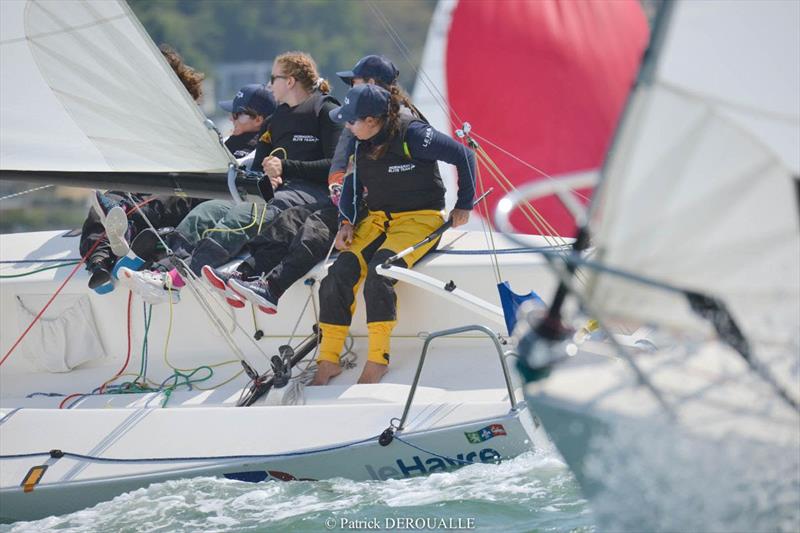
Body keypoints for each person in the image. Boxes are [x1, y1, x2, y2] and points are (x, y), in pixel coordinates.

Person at [120, 51, 343, 301]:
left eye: (274, 78)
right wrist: (264, 177)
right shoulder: (274, 120)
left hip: (310, 193)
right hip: (276, 192)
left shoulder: (326, 110)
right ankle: (162, 271)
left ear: (290, 81)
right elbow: (258, 166)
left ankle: (178, 279)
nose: (270, 84)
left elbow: (334, 165)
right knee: (208, 212)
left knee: (244, 216)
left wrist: (286, 167)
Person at [203, 55, 413, 314]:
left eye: (354, 83)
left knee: (312, 229)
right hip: (346, 204)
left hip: (383, 215)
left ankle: (272, 288)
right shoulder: (355, 121)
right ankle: (245, 275)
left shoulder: (404, 124)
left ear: (371, 83)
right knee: (290, 218)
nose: (350, 91)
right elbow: (339, 168)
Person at [312, 84, 476, 385]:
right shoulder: (360, 138)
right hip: (377, 219)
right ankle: (328, 359)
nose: (346, 126)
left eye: (351, 120)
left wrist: (464, 204)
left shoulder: (414, 134)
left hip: (420, 219)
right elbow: (351, 184)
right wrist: (346, 222)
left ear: (372, 120)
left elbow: (464, 156)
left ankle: (377, 359)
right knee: (338, 274)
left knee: (380, 273)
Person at [80, 44, 207, 294]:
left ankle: (125, 232)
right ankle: (99, 265)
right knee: (105, 205)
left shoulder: (189, 119)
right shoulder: (140, 119)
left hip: (179, 190)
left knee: (148, 204)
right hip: (140, 187)